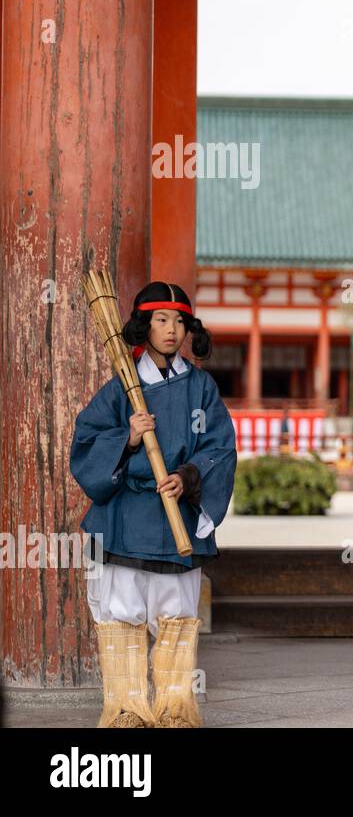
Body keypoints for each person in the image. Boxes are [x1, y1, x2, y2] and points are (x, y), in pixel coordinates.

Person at [70, 281, 236, 728]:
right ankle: (126, 709)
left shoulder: (201, 388)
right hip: (125, 516)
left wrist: (187, 475)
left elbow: (221, 445)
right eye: (161, 319)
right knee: (121, 617)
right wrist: (127, 435)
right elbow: (84, 441)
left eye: (179, 320)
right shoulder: (118, 389)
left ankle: (175, 709)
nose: (171, 330)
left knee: (178, 617)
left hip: (176, 514)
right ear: (144, 326)